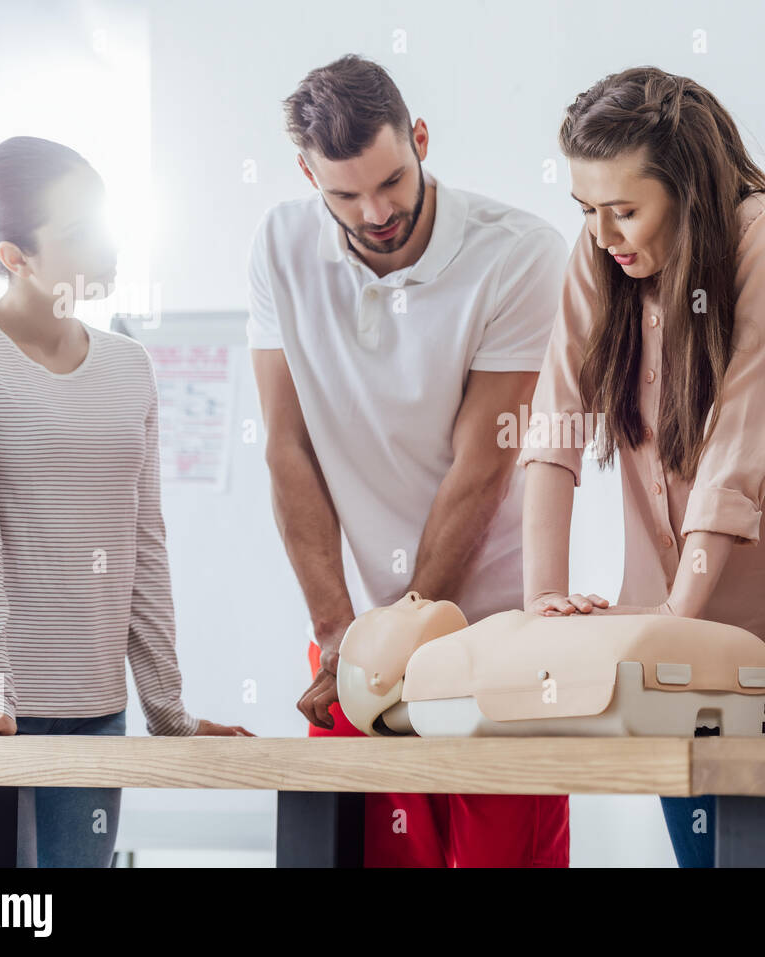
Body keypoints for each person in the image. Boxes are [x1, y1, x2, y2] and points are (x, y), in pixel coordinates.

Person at [517, 67, 765, 868]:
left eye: (625, 209)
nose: (604, 232)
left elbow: (737, 452)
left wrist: (671, 625)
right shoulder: (603, 260)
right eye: (588, 210)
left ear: (686, 189)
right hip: (680, 675)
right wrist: (539, 606)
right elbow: (552, 426)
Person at [248, 55, 570, 867]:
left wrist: (404, 633)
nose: (376, 211)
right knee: (370, 856)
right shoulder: (281, 247)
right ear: (306, 175)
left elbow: (483, 461)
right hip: (357, 635)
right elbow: (289, 449)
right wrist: (338, 635)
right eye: (345, 195)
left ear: (420, 139)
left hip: (495, 631)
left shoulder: (519, 253)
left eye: (391, 181)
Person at [0, 136, 250, 868]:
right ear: (13, 255)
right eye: (78, 231)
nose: (106, 244)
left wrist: (167, 711)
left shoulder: (130, 365)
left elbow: (143, 542)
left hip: (93, 713)